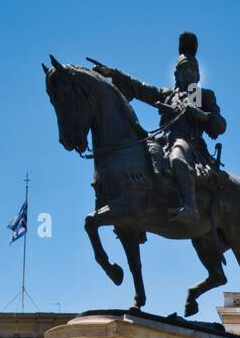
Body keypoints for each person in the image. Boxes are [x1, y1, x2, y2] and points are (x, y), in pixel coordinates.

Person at [90, 32, 226, 223]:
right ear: (176, 74)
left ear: (198, 74)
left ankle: (190, 207)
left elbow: (220, 125)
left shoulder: (198, 94)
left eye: (192, 70)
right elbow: (141, 88)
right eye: (184, 69)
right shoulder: (167, 95)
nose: (189, 73)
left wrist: (201, 115)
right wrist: (114, 73)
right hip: (163, 141)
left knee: (178, 159)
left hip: (188, 142)